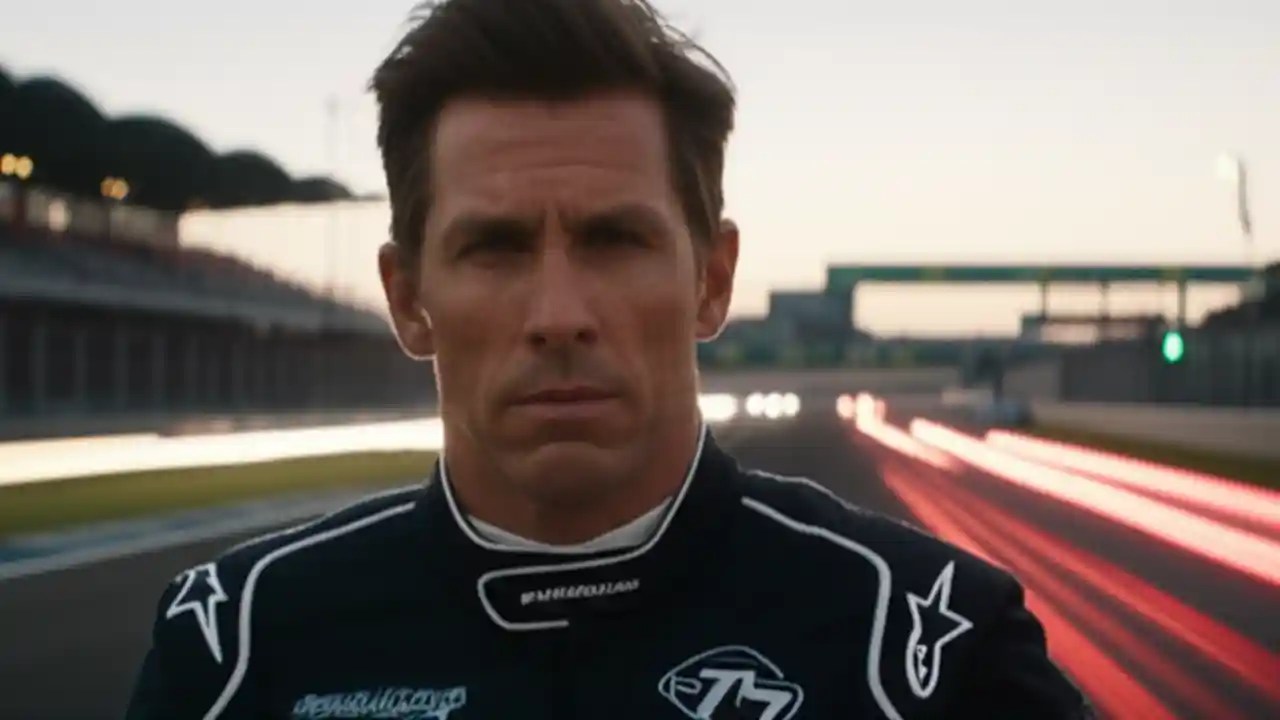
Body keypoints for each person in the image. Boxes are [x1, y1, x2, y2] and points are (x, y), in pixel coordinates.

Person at [125, 0, 1095, 717]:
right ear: (407, 299)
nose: (558, 316)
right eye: (495, 247)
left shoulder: (925, 646)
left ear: (711, 279)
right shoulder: (236, 647)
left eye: (615, 240)